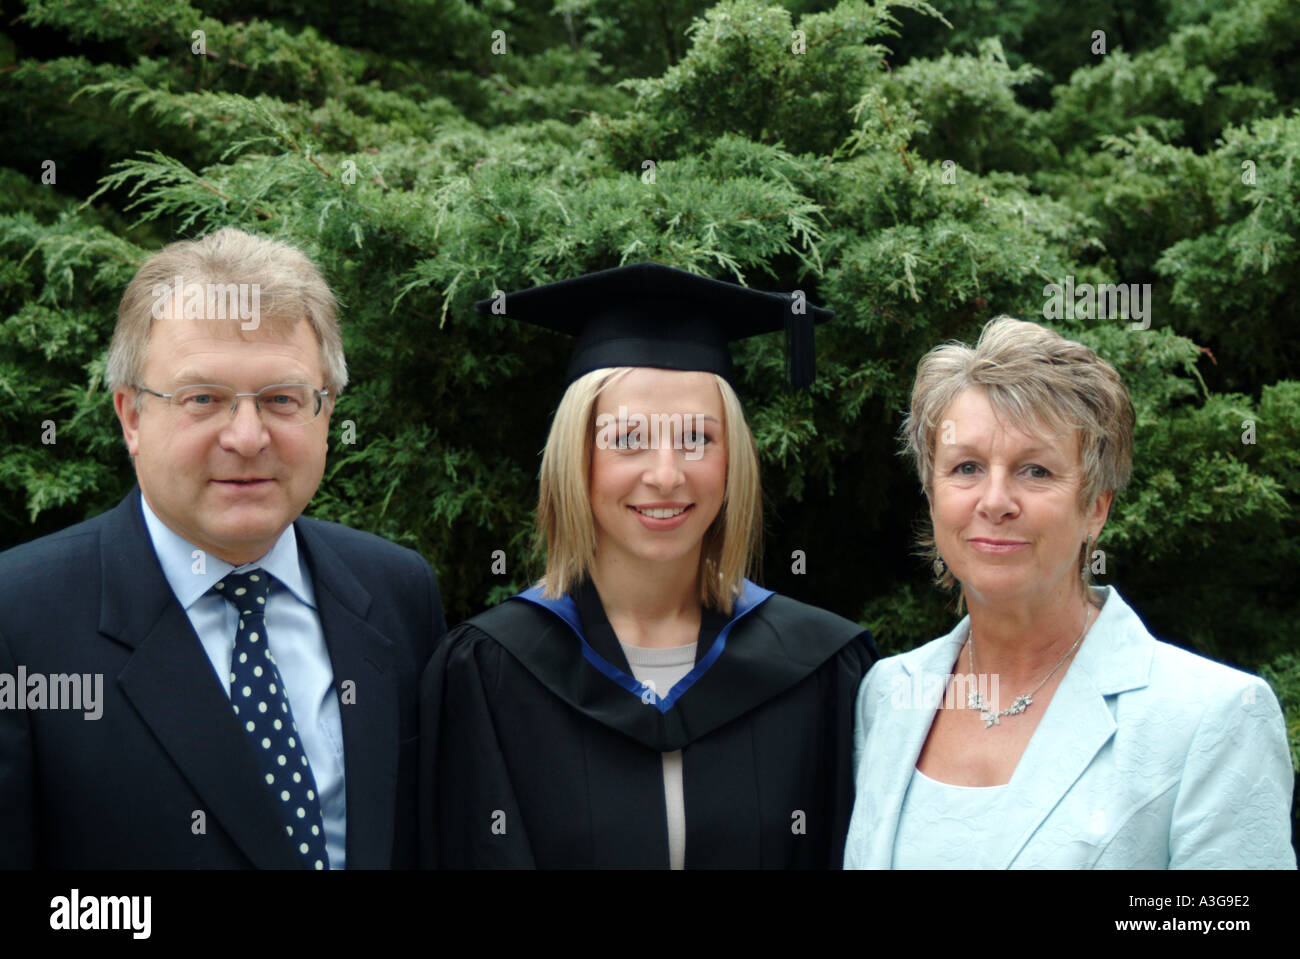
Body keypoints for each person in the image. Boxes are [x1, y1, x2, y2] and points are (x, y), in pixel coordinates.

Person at [0, 227, 446, 868]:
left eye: (282, 399)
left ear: (327, 414)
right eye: (202, 398)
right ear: (130, 416)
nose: (246, 436)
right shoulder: (20, 623)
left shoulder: (397, 592)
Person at [420, 262, 876, 868]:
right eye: (628, 438)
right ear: (577, 457)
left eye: (697, 438)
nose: (665, 474)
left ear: (732, 460)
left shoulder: (819, 669)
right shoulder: (491, 673)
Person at [844, 316, 1296, 869]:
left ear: (1097, 508)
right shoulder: (888, 697)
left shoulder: (1213, 716)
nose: (995, 500)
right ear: (933, 496)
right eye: (966, 468)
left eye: (1035, 471)